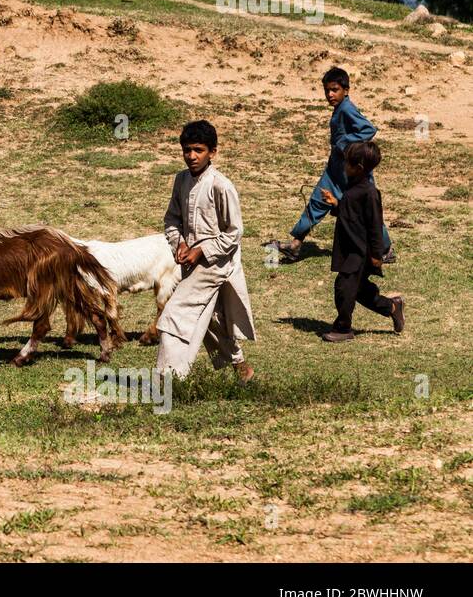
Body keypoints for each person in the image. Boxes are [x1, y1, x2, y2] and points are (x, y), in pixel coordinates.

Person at [155, 120, 255, 381]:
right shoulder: (181, 180)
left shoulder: (221, 185)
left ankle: (169, 379)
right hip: (190, 263)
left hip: (216, 265)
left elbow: (234, 232)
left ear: (213, 152)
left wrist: (202, 251)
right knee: (211, 319)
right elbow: (172, 220)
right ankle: (241, 367)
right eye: (187, 150)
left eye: (198, 150)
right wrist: (181, 244)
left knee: (174, 317)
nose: (191, 156)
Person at [272, 66, 393, 262]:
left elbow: (368, 129)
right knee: (317, 200)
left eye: (334, 90)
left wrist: (344, 142)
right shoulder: (339, 109)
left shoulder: (347, 108)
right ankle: (296, 244)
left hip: (352, 170)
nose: (330, 94)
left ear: (346, 90)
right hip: (335, 169)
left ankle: (385, 249)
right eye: (327, 90)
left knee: (365, 209)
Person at [322, 140, 405, 342]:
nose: (344, 166)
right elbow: (351, 214)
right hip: (351, 247)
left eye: (347, 163)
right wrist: (336, 204)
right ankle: (392, 307)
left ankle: (343, 328)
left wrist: (377, 255)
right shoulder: (353, 189)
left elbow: (375, 225)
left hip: (361, 250)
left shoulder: (369, 193)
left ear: (358, 168)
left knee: (344, 287)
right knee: (358, 290)